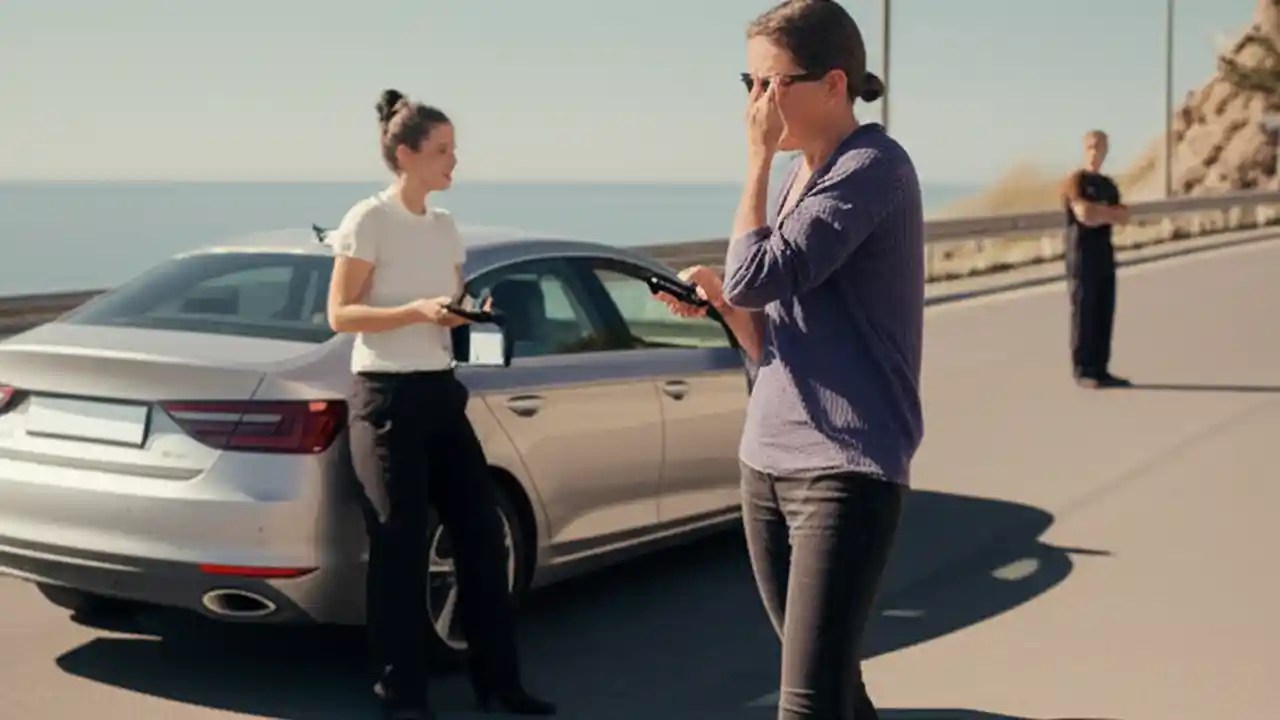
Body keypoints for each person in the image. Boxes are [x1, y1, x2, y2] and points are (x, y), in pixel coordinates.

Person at [660, 1, 924, 717]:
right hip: (767, 461)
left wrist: (754, 161)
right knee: (835, 691)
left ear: (834, 84)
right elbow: (769, 337)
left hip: (843, 469)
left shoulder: (873, 168)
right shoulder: (797, 179)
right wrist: (724, 302)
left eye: (770, 84)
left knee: (805, 703)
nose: (755, 104)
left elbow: (757, 274)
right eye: (747, 83)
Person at [326, 89, 555, 720]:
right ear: (406, 155)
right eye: (443, 150)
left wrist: (466, 315)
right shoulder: (368, 219)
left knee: (482, 538)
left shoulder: (446, 227)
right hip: (385, 399)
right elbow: (340, 314)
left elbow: (445, 309)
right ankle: (402, 700)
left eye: (454, 149)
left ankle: (500, 684)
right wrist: (415, 311)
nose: (455, 160)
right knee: (397, 549)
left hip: (439, 393)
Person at [1062, 129, 1132, 388]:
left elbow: (1124, 216)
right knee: (1085, 312)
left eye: (1099, 147)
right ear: (1084, 149)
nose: (1094, 152)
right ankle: (1084, 369)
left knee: (1104, 310)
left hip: (1104, 255)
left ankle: (1102, 369)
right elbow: (1084, 214)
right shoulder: (1075, 181)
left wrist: (1100, 213)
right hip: (1081, 256)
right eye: (1090, 147)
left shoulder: (1108, 185)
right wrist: (1105, 213)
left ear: (1106, 150)